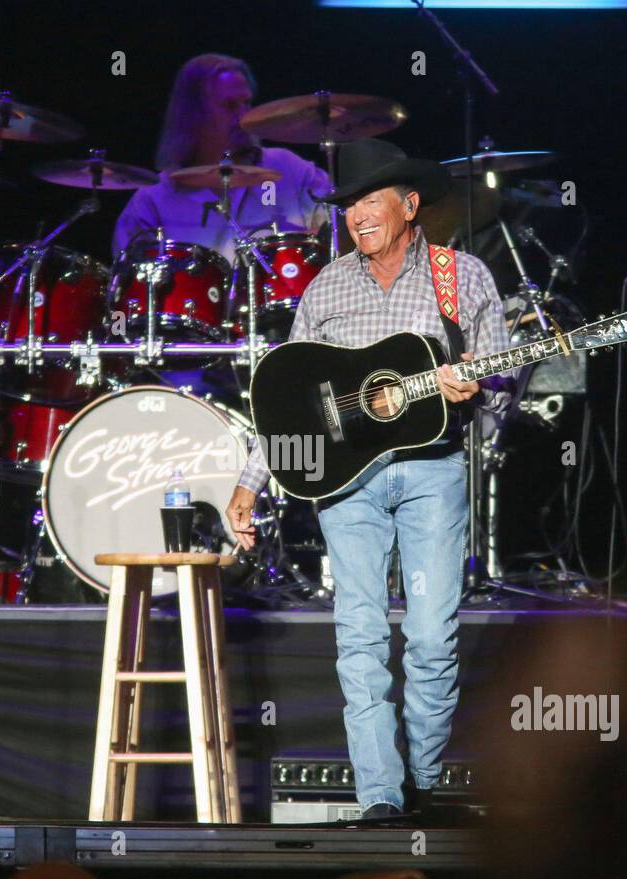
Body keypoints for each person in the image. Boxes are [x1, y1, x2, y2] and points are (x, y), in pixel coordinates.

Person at [225, 138, 514, 819]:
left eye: (370, 200)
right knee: (358, 635)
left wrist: (475, 390)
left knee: (431, 637)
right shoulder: (325, 286)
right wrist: (250, 481)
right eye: (348, 204)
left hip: (432, 472)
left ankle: (425, 784)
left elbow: (502, 386)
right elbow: (285, 397)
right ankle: (381, 797)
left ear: (410, 204)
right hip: (346, 485)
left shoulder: (460, 276)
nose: (356, 215)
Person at [112, 53, 330, 263]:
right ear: (193, 116)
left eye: (246, 103)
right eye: (230, 106)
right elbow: (129, 285)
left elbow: (339, 228)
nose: (244, 117)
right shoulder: (152, 202)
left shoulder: (288, 168)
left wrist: (323, 236)